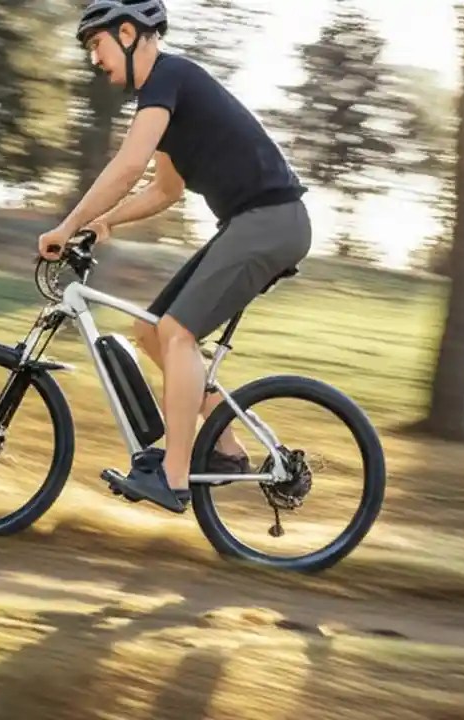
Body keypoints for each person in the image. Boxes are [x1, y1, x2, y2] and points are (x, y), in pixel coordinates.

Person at [37, 0, 312, 514]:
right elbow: (165, 189)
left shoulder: (169, 76)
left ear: (128, 32)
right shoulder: (164, 95)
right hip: (254, 223)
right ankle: (226, 454)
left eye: (96, 45)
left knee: (177, 333)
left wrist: (67, 225)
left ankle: (174, 478)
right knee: (152, 332)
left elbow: (126, 167)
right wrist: (107, 222)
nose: (94, 60)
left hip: (271, 221)